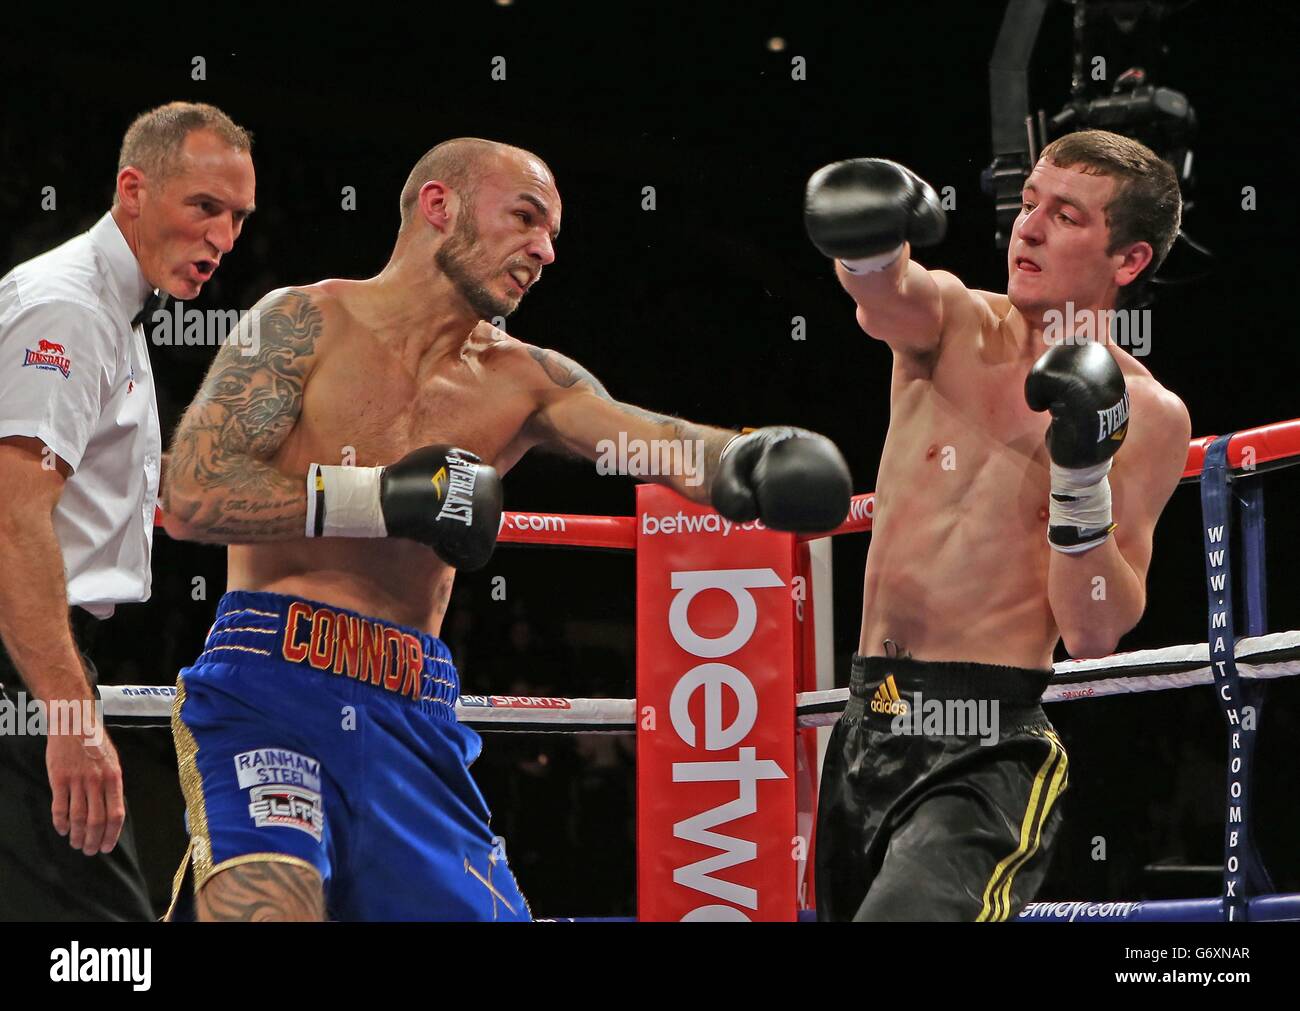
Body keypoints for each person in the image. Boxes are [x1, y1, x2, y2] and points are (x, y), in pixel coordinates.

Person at [160, 137, 852, 921]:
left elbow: (641, 433)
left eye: (552, 233)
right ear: (438, 206)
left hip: (413, 710)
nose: (544, 250)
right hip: (273, 682)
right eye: (525, 218)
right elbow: (192, 491)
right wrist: (382, 496)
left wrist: (748, 462)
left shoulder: (522, 378)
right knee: (269, 903)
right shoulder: (302, 320)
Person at [804, 128, 1192, 920]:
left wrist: (1081, 480)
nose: (1030, 226)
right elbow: (882, 291)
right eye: (1029, 203)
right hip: (866, 718)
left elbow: (1094, 630)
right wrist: (868, 240)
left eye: (1069, 216)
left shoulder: (1148, 414)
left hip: (985, 741)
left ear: (1130, 260)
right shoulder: (951, 321)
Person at [0, 101, 255, 920]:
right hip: (26, 661)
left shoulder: (116, 311)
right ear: (135, 190)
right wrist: (71, 717)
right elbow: (11, 517)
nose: (223, 238)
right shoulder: (69, 308)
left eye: (239, 217)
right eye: (205, 207)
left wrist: (339, 500)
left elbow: (143, 492)